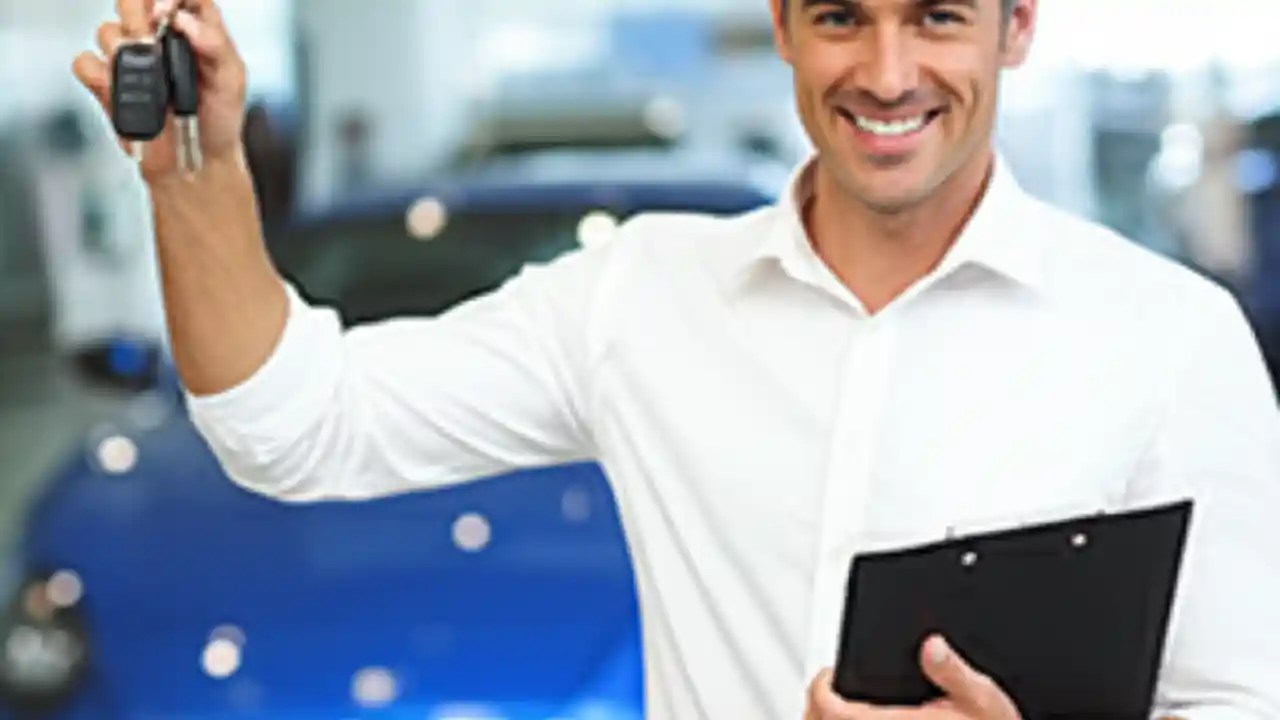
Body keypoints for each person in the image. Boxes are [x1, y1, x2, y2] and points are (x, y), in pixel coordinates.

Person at [72, 0, 1279, 718]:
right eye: (841, 16)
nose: (888, 71)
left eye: (937, 15)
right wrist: (198, 173)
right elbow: (293, 426)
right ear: (782, 27)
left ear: (1018, 26)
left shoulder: (1165, 338)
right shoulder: (640, 298)